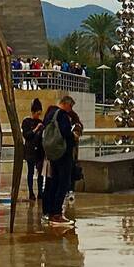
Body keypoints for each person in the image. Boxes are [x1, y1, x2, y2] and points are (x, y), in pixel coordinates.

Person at [40, 95, 78, 225]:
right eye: (70, 106)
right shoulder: (62, 115)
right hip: (62, 153)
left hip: (51, 153)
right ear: (66, 104)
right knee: (63, 183)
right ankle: (57, 213)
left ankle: (48, 211)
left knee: (52, 182)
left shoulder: (50, 113)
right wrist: (74, 136)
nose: (70, 109)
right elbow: (66, 133)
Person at [20, 99, 44, 201]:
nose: (38, 116)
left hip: (39, 151)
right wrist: (36, 129)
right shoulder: (26, 122)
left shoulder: (40, 122)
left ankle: (40, 192)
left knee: (40, 173)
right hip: (30, 151)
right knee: (30, 172)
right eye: (37, 113)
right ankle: (31, 192)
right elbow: (27, 135)